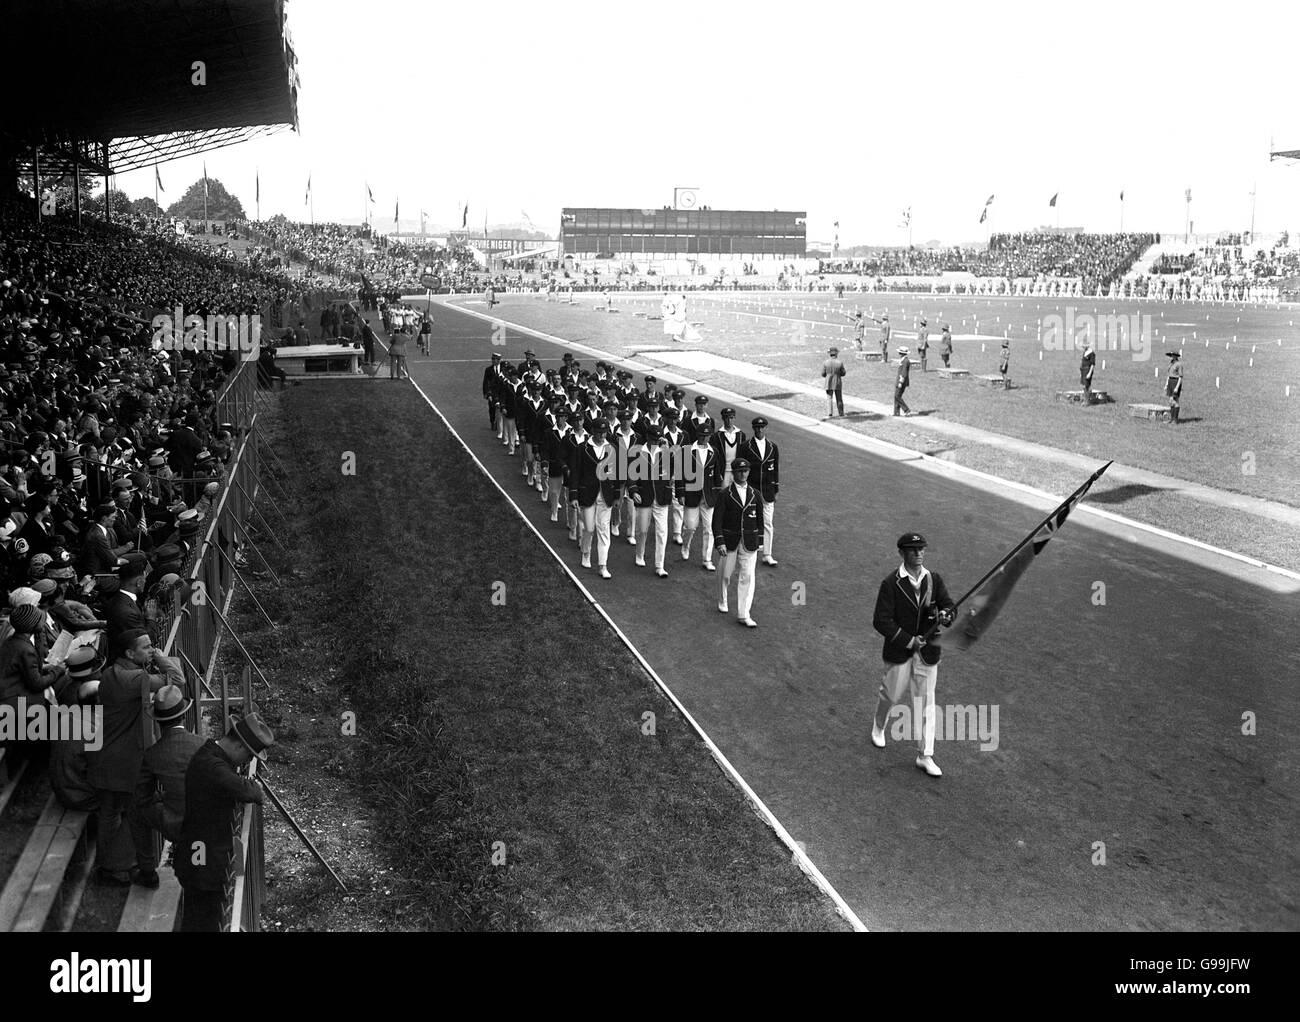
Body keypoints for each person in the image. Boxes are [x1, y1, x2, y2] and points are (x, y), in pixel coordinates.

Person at [86, 628, 184, 886]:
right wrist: (161, 656)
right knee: (136, 814)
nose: (151, 649)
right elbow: (178, 679)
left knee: (109, 813)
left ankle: (107, 865)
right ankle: (124, 865)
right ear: (130, 653)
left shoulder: (109, 674)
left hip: (105, 754)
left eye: (152, 646)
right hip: (126, 760)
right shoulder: (136, 678)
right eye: (146, 647)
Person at [174, 713, 273, 931]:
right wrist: (254, 786)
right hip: (202, 868)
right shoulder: (213, 766)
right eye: (249, 756)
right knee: (202, 923)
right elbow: (252, 792)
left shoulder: (211, 754)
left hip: (200, 859)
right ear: (239, 746)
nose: (247, 762)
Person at [870, 533, 956, 778]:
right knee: (891, 694)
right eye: (913, 550)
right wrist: (909, 640)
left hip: (928, 653)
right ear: (902, 553)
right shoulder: (891, 583)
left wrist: (947, 615)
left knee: (926, 702)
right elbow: (881, 620)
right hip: (899, 651)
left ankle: (925, 755)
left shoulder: (934, 579)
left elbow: (949, 605)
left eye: (922, 549)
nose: (919, 553)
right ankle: (879, 725)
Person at [134, 683, 205, 846]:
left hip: (175, 824)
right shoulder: (203, 744)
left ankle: (146, 860)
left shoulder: (153, 754)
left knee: (136, 810)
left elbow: (142, 796)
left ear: (158, 721)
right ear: (184, 715)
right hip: (208, 820)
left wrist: (163, 797)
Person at [715, 458, 763, 627]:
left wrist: (760, 540)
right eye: (739, 471)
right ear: (734, 473)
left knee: (748, 576)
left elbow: (760, 519)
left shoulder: (755, 494)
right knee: (725, 574)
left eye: (745, 471)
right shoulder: (724, 494)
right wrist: (720, 541)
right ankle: (722, 599)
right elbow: (717, 520)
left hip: (749, 541)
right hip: (729, 540)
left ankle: (744, 613)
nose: (743, 474)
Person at [631, 427, 673, 577]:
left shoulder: (665, 452)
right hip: (644, 495)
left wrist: (668, 450)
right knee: (642, 529)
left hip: (661, 496)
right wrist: (634, 490)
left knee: (662, 531)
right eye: (653, 439)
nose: (655, 442)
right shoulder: (637, 452)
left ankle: (659, 565)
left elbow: (674, 469)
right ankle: (639, 554)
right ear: (647, 437)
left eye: (658, 440)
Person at [680, 421, 720, 571]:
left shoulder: (714, 452)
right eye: (702, 435)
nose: (704, 438)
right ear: (697, 435)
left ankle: (707, 559)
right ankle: (685, 546)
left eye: (707, 436)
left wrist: (717, 493)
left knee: (709, 529)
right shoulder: (687, 451)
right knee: (690, 526)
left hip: (708, 496)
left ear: (710, 436)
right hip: (691, 494)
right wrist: (681, 493)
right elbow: (680, 474)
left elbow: (717, 474)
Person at [741, 417, 779, 566]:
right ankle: (750, 550)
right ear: (753, 429)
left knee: (768, 522)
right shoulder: (746, 447)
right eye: (757, 427)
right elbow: (741, 469)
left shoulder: (773, 447)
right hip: (752, 490)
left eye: (762, 427)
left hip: (768, 491)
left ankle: (767, 554)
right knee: (751, 521)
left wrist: (776, 489)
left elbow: (775, 469)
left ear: (766, 428)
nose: (759, 430)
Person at [893, 347, 913, 416]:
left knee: (897, 396)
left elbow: (904, 373)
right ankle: (896, 412)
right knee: (896, 396)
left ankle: (906, 410)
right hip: (899, 380)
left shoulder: (905, 361)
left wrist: (900, 382)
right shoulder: (903, 360)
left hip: (901, 381)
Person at [1165, 351, 1183, 423]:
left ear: (1176, 356)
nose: (1172, 356)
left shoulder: (1179, 364)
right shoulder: (1171, 363)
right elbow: (1169, 374)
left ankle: (1175, 420)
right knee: (1171, 401)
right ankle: (1171, 418)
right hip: (1170, 382)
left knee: (1175, 400)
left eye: (1173, 355)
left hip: (1175, 382)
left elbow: (1180, 377)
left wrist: (1177, 387)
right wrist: (1166, 384)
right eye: (1171, 355)